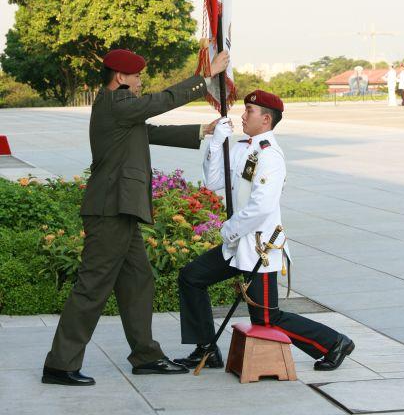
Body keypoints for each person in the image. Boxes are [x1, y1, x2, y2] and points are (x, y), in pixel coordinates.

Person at [42, 47, 229, 386]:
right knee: (92, 287)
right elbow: (161, 102)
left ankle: (146, 356)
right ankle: (60, 363)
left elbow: (148, 131)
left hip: (119, 210)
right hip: (109, 211)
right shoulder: (117, 103)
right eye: (138, 76)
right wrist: (206, 78)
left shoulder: (119, 110)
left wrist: (203, 130)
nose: (142, 82)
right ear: (121, 78)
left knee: (138, 281)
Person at [174, 90, 355, 372]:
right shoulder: (242, 147)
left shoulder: (271, 156)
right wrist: (216, 142)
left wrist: (229, 229)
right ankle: (206, 349)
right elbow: (212, 182)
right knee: (192, 277)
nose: (243, 116)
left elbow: (262, 206)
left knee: (266, 319)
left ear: (266, 119)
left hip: (260, 249)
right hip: (237, 245)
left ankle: (333, 343)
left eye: (249, 111)